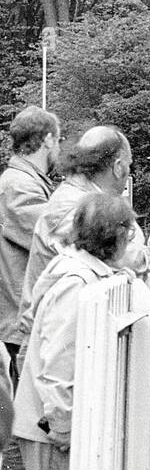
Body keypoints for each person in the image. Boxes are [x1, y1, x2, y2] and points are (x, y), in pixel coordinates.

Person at [13, 194, 142, 470]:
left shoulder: (80, 271)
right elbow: (58, 362)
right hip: (51, 423)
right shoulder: (76, 283)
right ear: (114, 236)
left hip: (46, 420)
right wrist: (64, 426)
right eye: (128, 231)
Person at [18, 126, 148, 345]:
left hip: (62, 331)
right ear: (118, 167)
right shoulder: (75, 206)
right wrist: (141, 251)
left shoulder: (82, 198)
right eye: (129, 164)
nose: (129, 171)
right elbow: (128, 257)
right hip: (51, 339)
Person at [0, 107, 61, 381]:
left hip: (21, 318)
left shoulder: (23, 182)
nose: (59, 147)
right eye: (58, 141)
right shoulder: (18, 186)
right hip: (23, 320)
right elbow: (57, 237)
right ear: (47, 140)